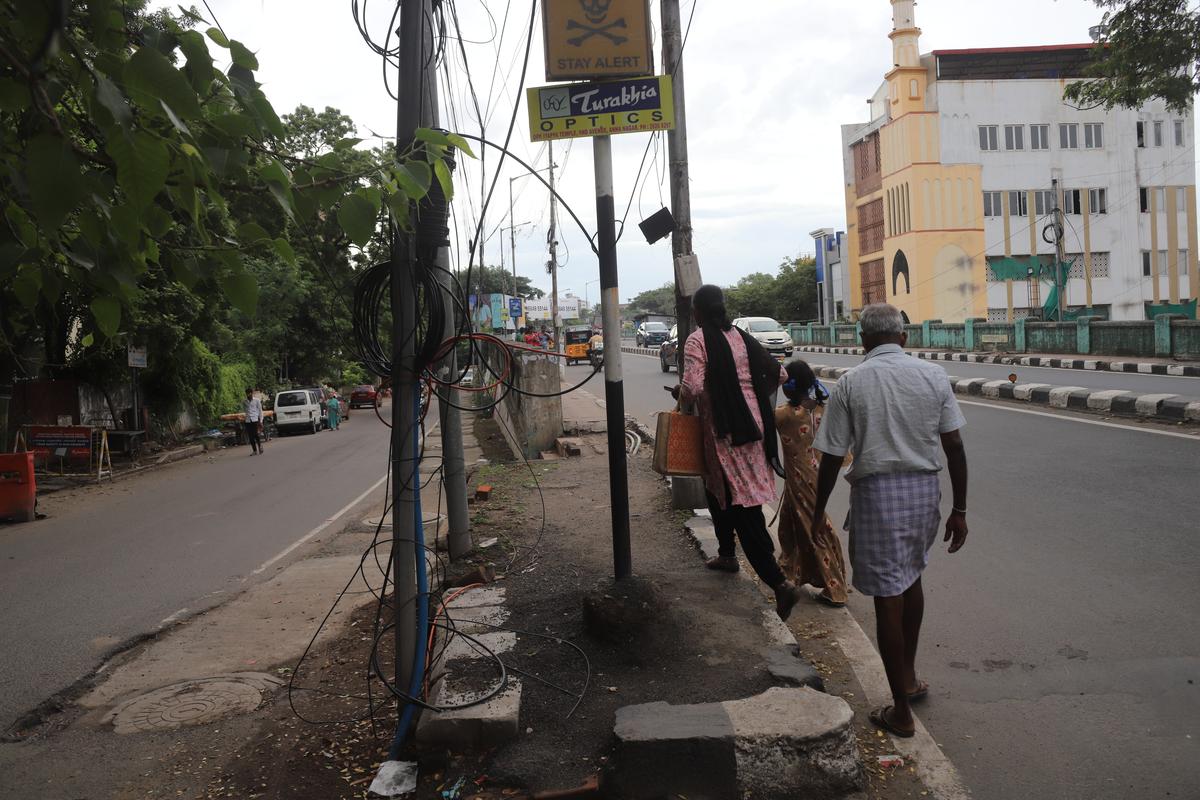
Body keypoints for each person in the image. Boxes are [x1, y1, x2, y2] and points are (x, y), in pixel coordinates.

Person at [810, 303, 969, 739]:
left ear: (862, 340)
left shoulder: (851, 382)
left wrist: (816, 509)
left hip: (878, 495)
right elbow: (953, 445)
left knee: (887, 597)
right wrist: (960, 510)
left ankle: (900, 708)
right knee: (911, 578)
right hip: (924, 494)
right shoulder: (932, 375)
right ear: (904, 337)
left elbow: (830, 458)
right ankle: (910, 677)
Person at [669, 284, 803, 621]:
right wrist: (747, 390)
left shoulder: (697, 340)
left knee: (743, 505)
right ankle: (727, 554)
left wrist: (684, 394)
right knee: (718, 491)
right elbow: (780, 373)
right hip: (754, 427)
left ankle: (778, 583)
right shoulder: (741, 337)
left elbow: (692, 387)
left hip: (724, 433)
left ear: (698, 312)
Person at [775, 359, 848, 607]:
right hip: (817, 475)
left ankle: (834, 588)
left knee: (812, 528)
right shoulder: (819, 409)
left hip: (800, 478)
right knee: (789, 523)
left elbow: (760, 421)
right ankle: (789, 573)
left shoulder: (786, 415)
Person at [243, 388, 263, 455]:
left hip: (255, 419)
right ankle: (254, 450)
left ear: (252, 393)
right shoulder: (244, 401)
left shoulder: (257, 400)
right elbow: (245, 411)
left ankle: (260, 446)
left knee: (256, 434)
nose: (248, 395)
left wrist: (261, 420)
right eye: (247, 393)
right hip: (248, 420)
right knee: (250, 436)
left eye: (250, 393)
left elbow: (260, 411)